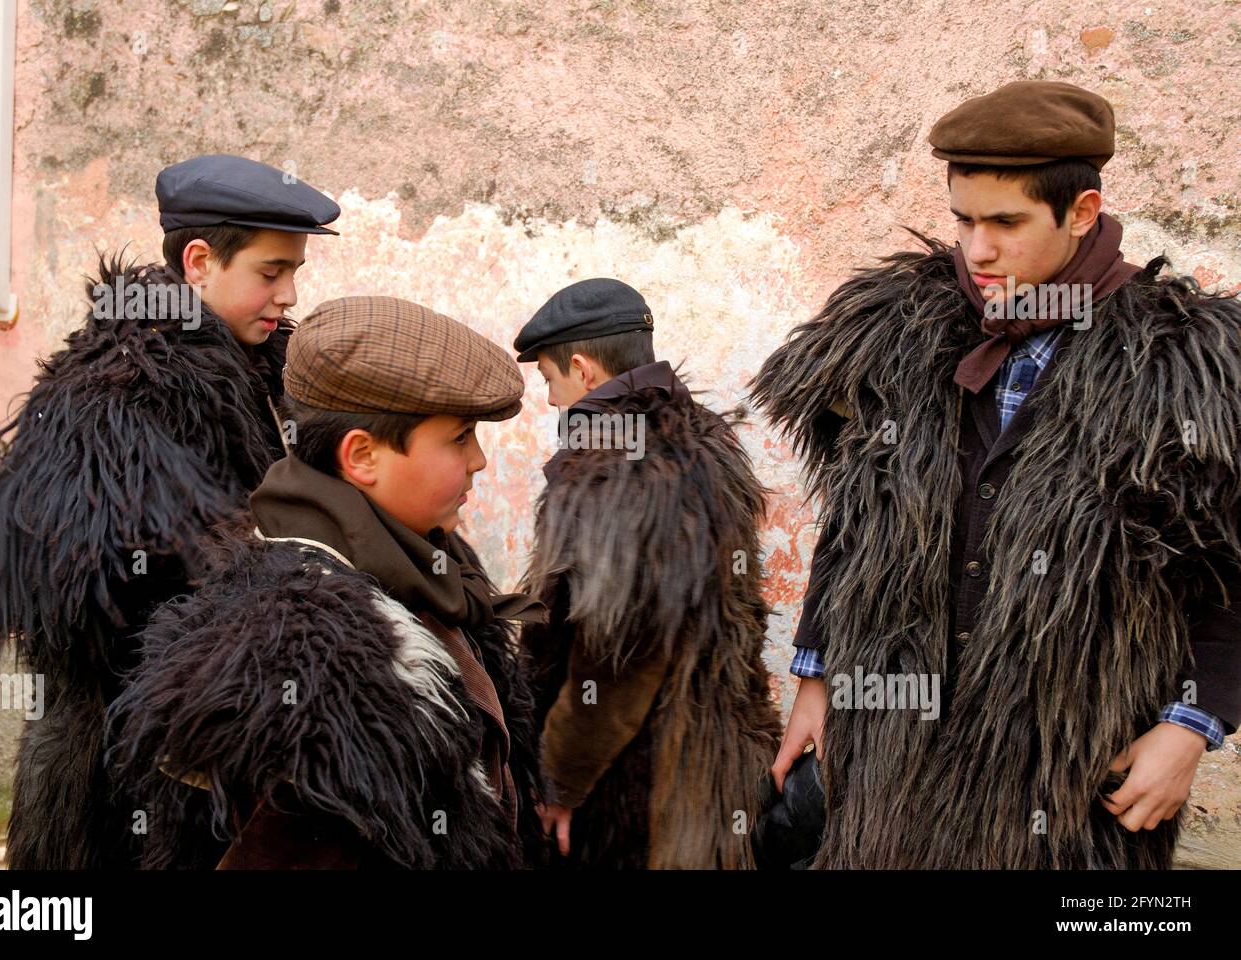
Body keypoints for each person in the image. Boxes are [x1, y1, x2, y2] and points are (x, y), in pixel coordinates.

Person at [750, 81, 1241, 868]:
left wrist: (1191, 726)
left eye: (1005, 223)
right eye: (963, 220)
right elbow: (853, 526)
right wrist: (814, 675)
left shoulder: (1184, 364)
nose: (976, 250)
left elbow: (1229, 575)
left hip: (1074, 783)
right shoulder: (896, 334)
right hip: (894, 767)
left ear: (1081, 212)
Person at [0, 154, 339, 869]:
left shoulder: (269, 369)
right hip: (113, 764)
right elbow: (52, 578)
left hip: (213, 754)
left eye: (294, 274)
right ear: (198, 261)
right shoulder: (112, 389)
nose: (287, 294)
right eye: (271, 272)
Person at [108, 295, 547, 869]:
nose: (480, 461)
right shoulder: (302, 668)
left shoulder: (410, 565)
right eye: (460, 438)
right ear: (362, 456)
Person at [514, 278, 781, 868]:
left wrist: (559, 779)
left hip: (646, 779)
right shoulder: (700, 439)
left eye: (550, 383)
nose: (554, 403)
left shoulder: (617, 469)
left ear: (582, 369)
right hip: (720, 745)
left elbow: (616, 662)